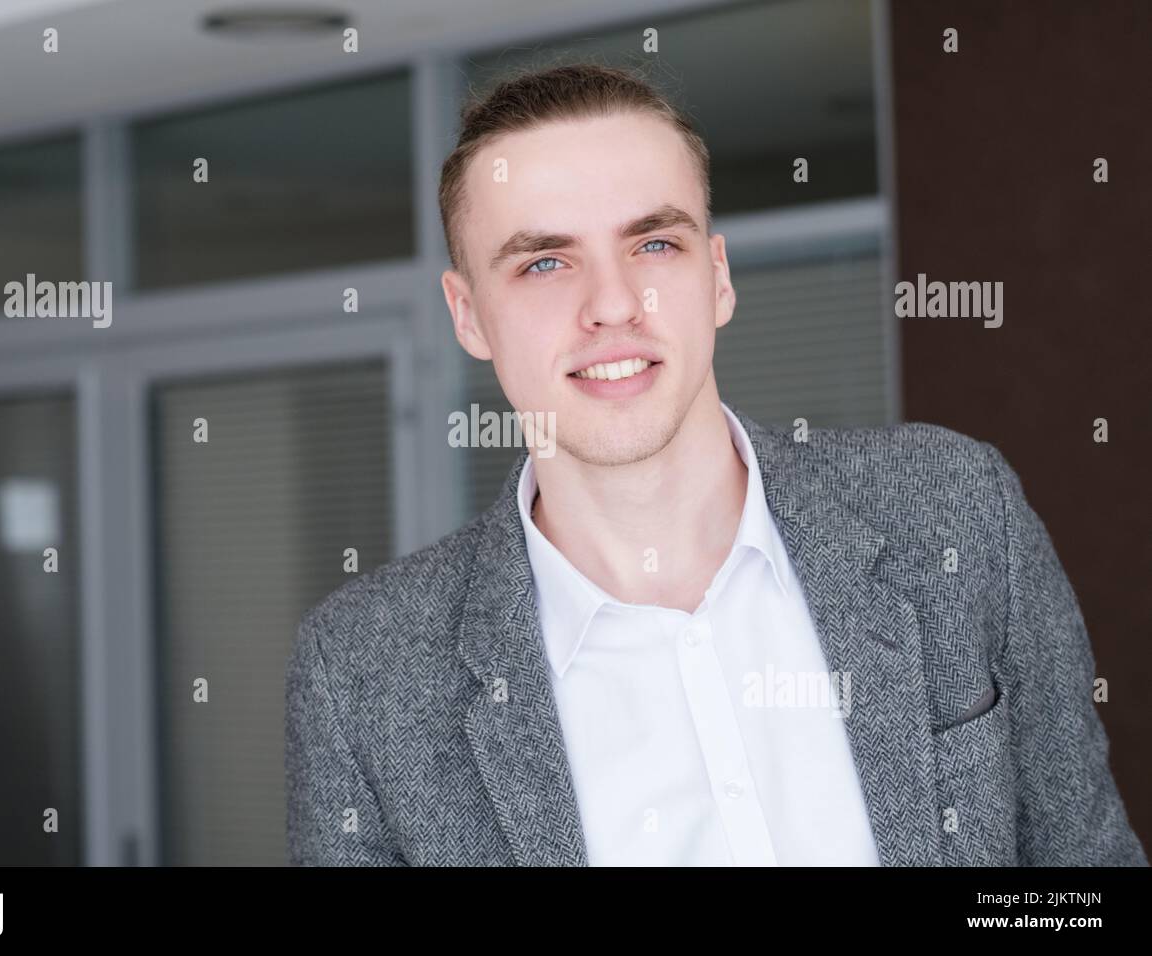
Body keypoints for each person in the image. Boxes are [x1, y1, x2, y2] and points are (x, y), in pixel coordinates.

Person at [284, 63, 1145, 866]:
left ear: (719, 277)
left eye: (654, 245)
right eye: (545, 262)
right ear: (468, 315)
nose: (613, 304)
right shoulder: (364, 675)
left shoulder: (954, 509)